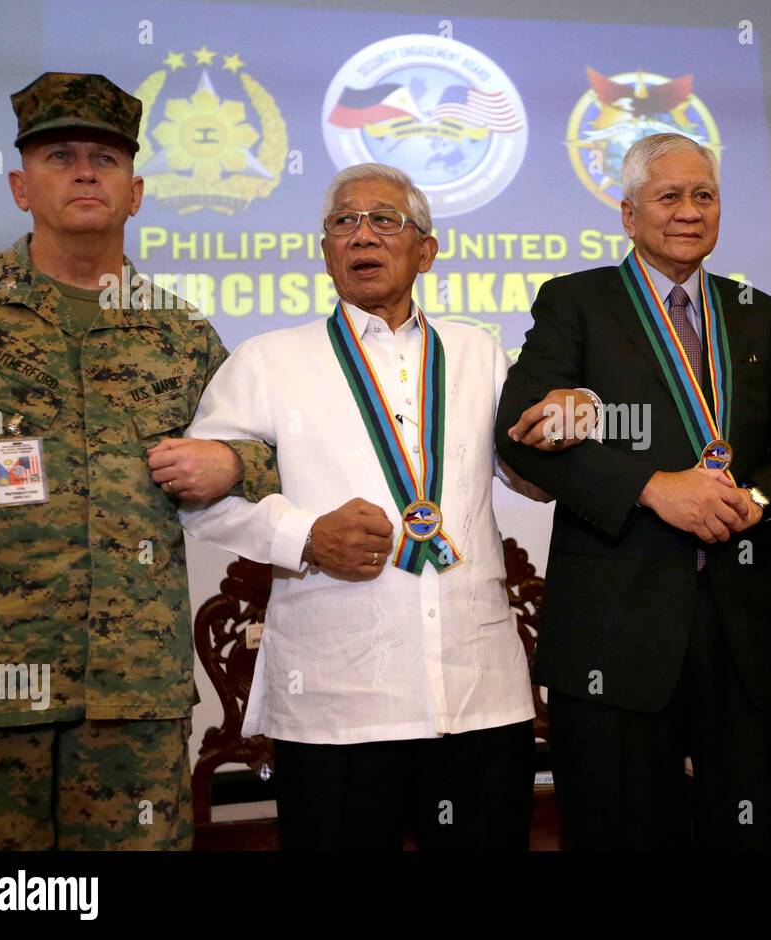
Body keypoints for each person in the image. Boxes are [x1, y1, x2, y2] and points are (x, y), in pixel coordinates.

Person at [0, 72, 276, 850]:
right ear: (22, 186)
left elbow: (269, 450)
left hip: (133, 693)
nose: (86, 171)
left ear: (135, 192)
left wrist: (232, 464)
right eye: (60, 155)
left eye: (106, 158)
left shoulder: (179, 332)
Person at [180, 163, 545, 851]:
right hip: (339, 705)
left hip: (480, 696)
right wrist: (305, 535)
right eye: (343, 222)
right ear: (325, 251)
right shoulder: (268, 361)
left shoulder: (480, 353)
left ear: (426, 251)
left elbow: (526, 472)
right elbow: (200, 500)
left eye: (385, 220)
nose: (361, 235)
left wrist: (569, 427)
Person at [496, 132, 771, 849]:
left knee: (756, 827)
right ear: (628, 214)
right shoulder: (576, 303)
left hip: (742, 626)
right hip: (615, 629)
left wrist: (761, 502)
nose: (688, 211)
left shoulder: (760, 313)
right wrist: (651, 487)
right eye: (668, 196)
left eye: (703, 195)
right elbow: (516, 432)